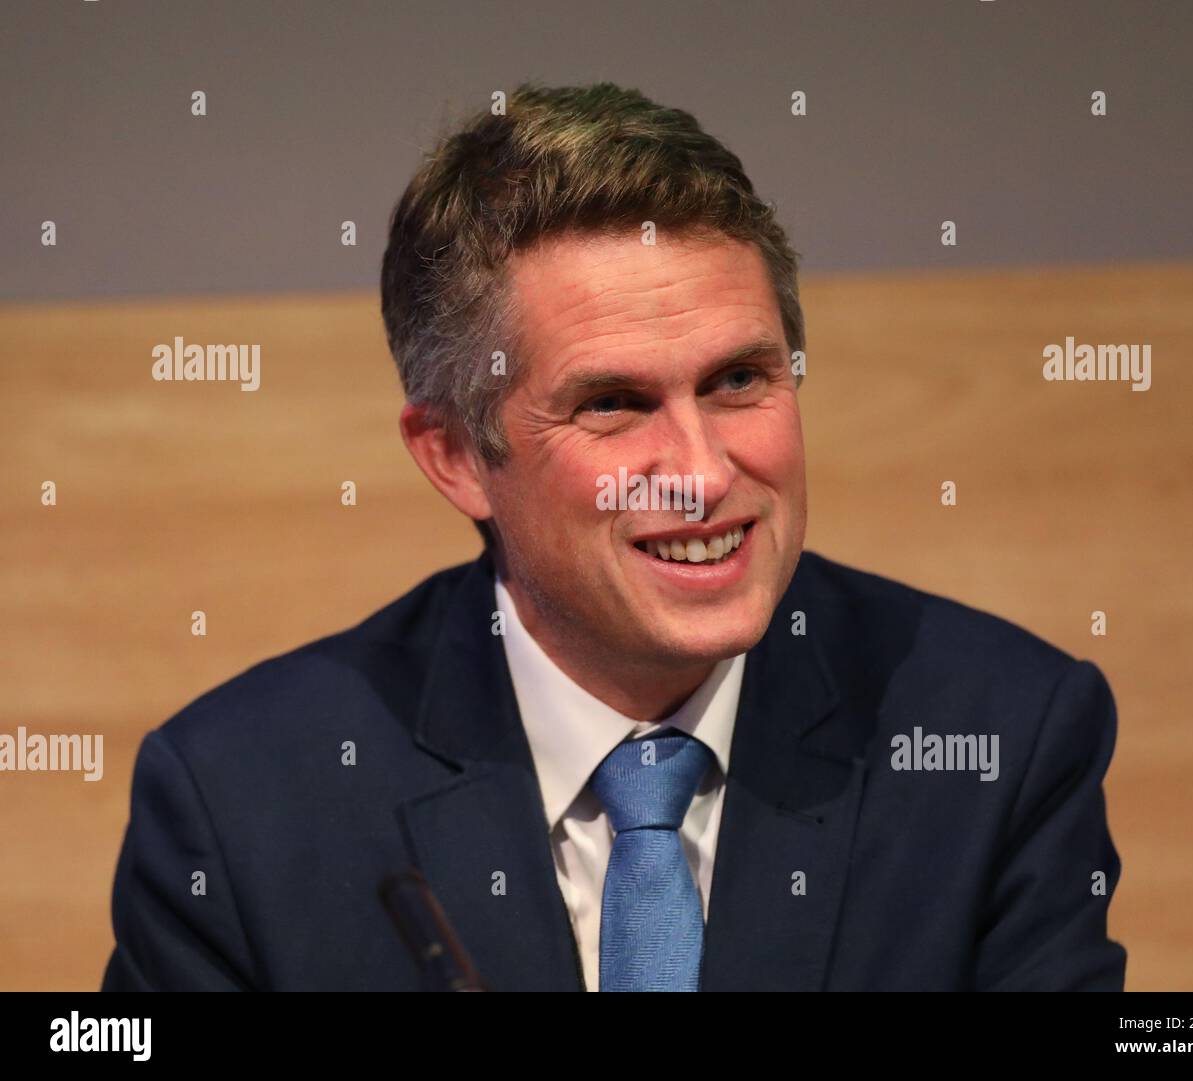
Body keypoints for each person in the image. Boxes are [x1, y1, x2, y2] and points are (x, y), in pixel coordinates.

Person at [102, 81, 1126, 991]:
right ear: (457, 455)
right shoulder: (243, 802)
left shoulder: (1000, 736)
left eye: (738, 381)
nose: (700, 474)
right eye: (613, 403)